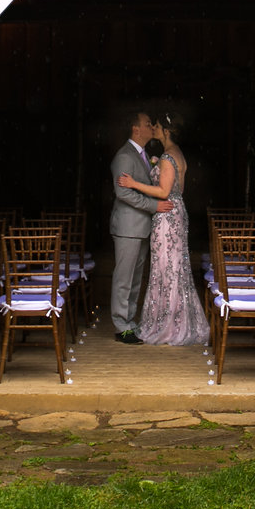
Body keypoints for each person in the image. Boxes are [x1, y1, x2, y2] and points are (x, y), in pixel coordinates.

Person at [118, 112, 211, 346]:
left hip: (166, 215)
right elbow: (179, 191)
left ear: (166, 132)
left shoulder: (168, 157)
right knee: (174, 267)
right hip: (176, 211)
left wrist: (133, 183)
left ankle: (169, 325)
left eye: (157, 126)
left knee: (166, 269)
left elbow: (163, 192)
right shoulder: (176, 154)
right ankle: (176, 320)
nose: (154, 129)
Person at [109, 110, 172, 344]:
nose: (151, 127)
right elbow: (123, 192)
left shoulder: (145, 155)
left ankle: (129, 322)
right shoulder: (125, 156)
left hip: (140, 227)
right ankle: (120, 326)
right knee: (124, 278)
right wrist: (154, 206)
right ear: (136, 129)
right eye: (147, 124)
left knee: (135, 279)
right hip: (128, 227)